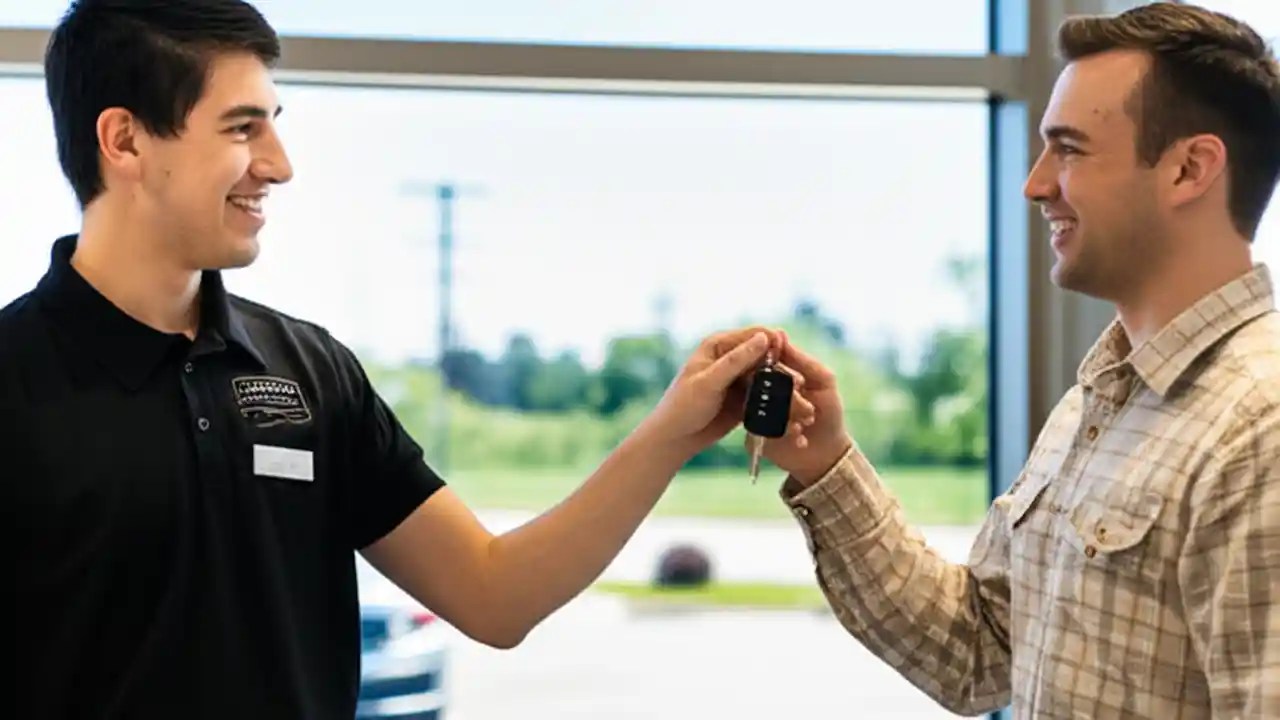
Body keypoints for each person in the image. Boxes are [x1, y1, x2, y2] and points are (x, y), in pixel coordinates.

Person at [2, 2, 815, 718]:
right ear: (125, 139)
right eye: (242, 126)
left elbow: (496, 595)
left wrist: (672, 432)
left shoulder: (312, 372)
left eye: (274, 122)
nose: (279, 163)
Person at [759, 3, 1280, 719]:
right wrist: (824, 461)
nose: (1036, 185)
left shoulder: (1263, 428)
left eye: (1069, 149)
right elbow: (977, 651)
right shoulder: (1099, 402)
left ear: (1190, 168)